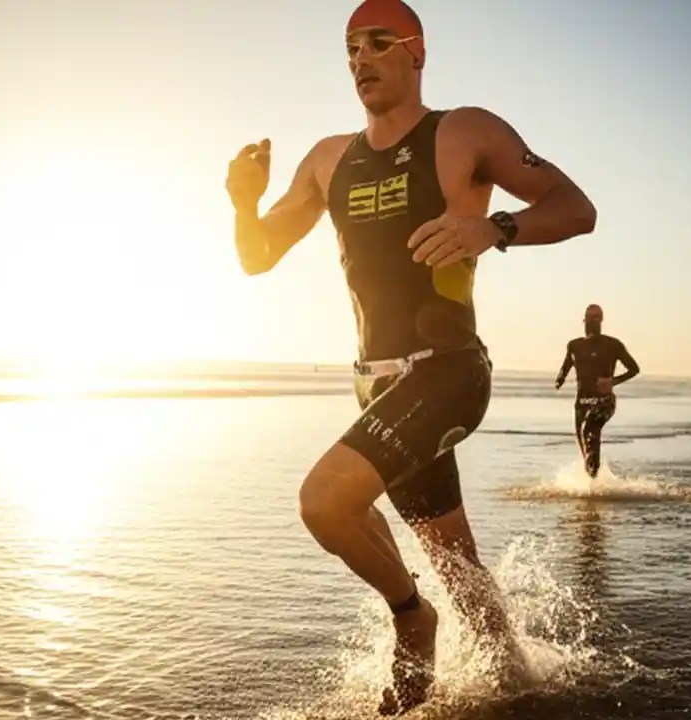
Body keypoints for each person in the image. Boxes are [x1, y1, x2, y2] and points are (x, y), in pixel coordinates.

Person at [224, 0, 597, 713]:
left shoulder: (464, 133)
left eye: (378, 42)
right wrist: (245, 203)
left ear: (416, 53)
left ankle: (411, 619)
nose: (360, 58)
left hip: (449, 370)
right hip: (378, 388)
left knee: (326, 501)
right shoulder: (328, 159)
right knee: (458, 566)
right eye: (349, 48)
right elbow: (259, 256)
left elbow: (576, 207)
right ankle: (520, 686)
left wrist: (495, 227)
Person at [554, 304, 640, 478]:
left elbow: (634, 369)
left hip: (604, 401)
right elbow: (565, 367)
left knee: (590, 429)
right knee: (586, 450)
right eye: (589, 317)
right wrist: (560, 379)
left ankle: (595, 491)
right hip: (582, 403)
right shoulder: (574, 346)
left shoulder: (613, 345)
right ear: (584, 320)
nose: (592, 321)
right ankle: (592, 493)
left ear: (601, 321)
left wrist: (613, 381)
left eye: (596, 318)